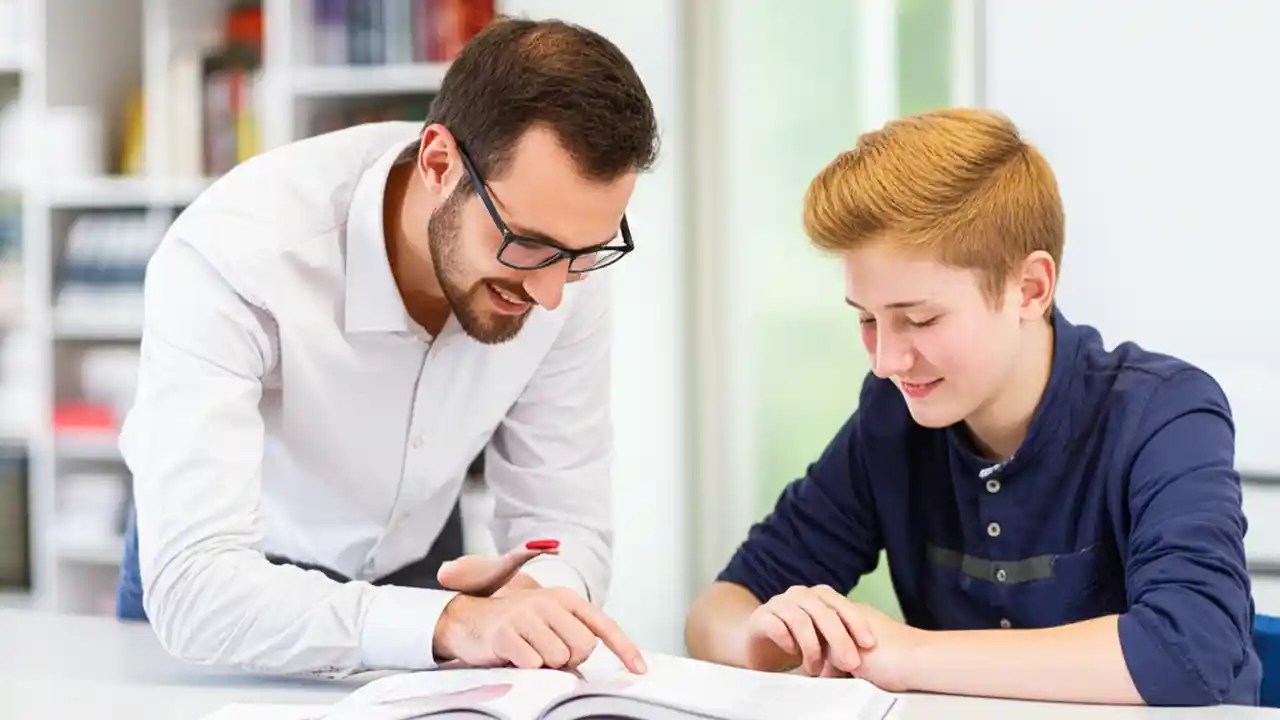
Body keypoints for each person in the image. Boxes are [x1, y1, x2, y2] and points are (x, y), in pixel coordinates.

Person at [116, 17, 656, 677]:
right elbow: (194, 585)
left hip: (427, 567)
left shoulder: (562, 263)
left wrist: (542, 594)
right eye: (528, 245)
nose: (550, 294)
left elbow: (563, 511)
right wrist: (450, 622)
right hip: (236, 588)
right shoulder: (238, 249)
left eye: (580, 255)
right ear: (438, 163)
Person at [684, 108, 1260, 706]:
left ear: (1030, 289)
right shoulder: (891, 418)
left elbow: (1190, 651)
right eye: (865, 318)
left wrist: (909, 653)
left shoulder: (1163, 413)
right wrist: (763, 636)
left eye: (920, 319)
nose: (885, 360)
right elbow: (718, 610)